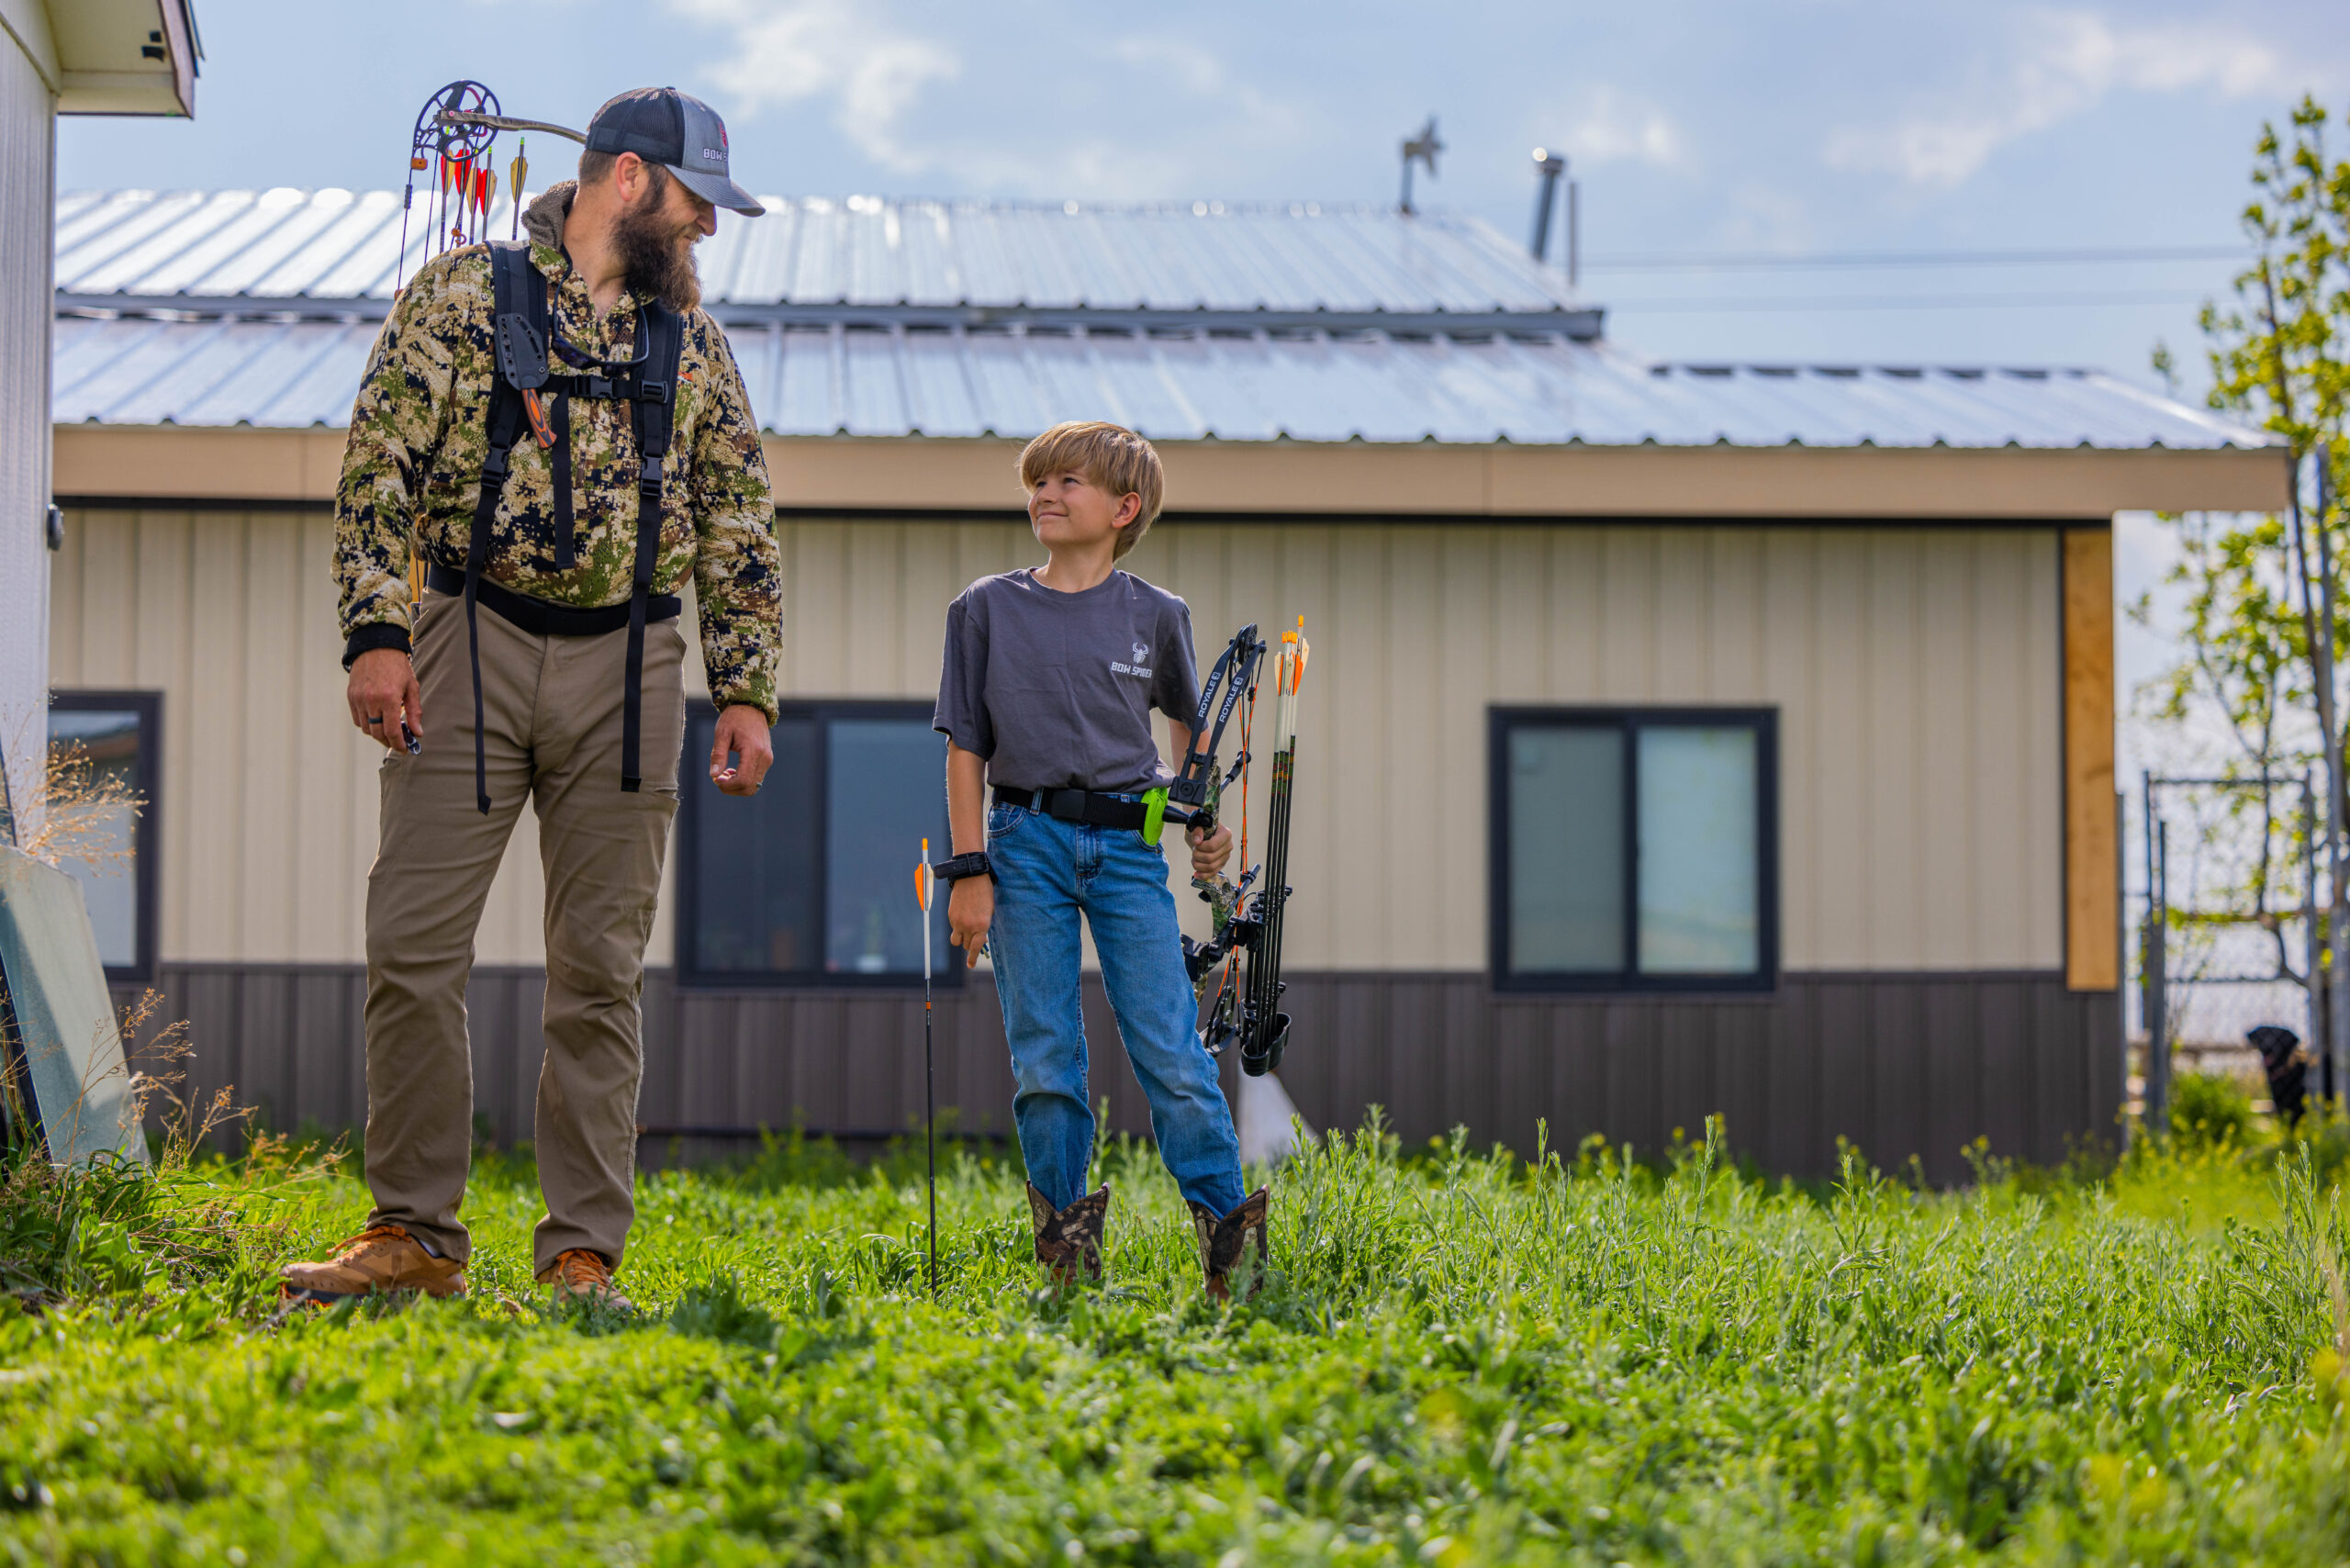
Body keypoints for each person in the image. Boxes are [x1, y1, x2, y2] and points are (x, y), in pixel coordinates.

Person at [282, 88, 781, 1312]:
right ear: (626, 178)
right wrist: (375, 634)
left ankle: (580, 1255)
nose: (706, 228)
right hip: (467, 641)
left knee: (598, 971)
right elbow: (377, 471)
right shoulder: (460, 296)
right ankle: (412, 1235)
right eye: (694, 200)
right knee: (412, 948)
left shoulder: (696, 349)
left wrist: (748, 689)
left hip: (633, 670)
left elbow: (739, 524)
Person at [930, 421, 1270, 1298]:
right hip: (1022, 845)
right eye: (1037, 481)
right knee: (1047, 1058)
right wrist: (969, 872)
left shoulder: (1158, 615)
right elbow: (965, 750)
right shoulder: (984, 609)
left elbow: (1190, 739)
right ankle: (1067, 1261)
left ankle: (1232, 1254)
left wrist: (1208, 828)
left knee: (1171, 1051)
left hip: (1127, 851)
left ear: (1124, 509)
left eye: (1067, 482)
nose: (1045, 494)